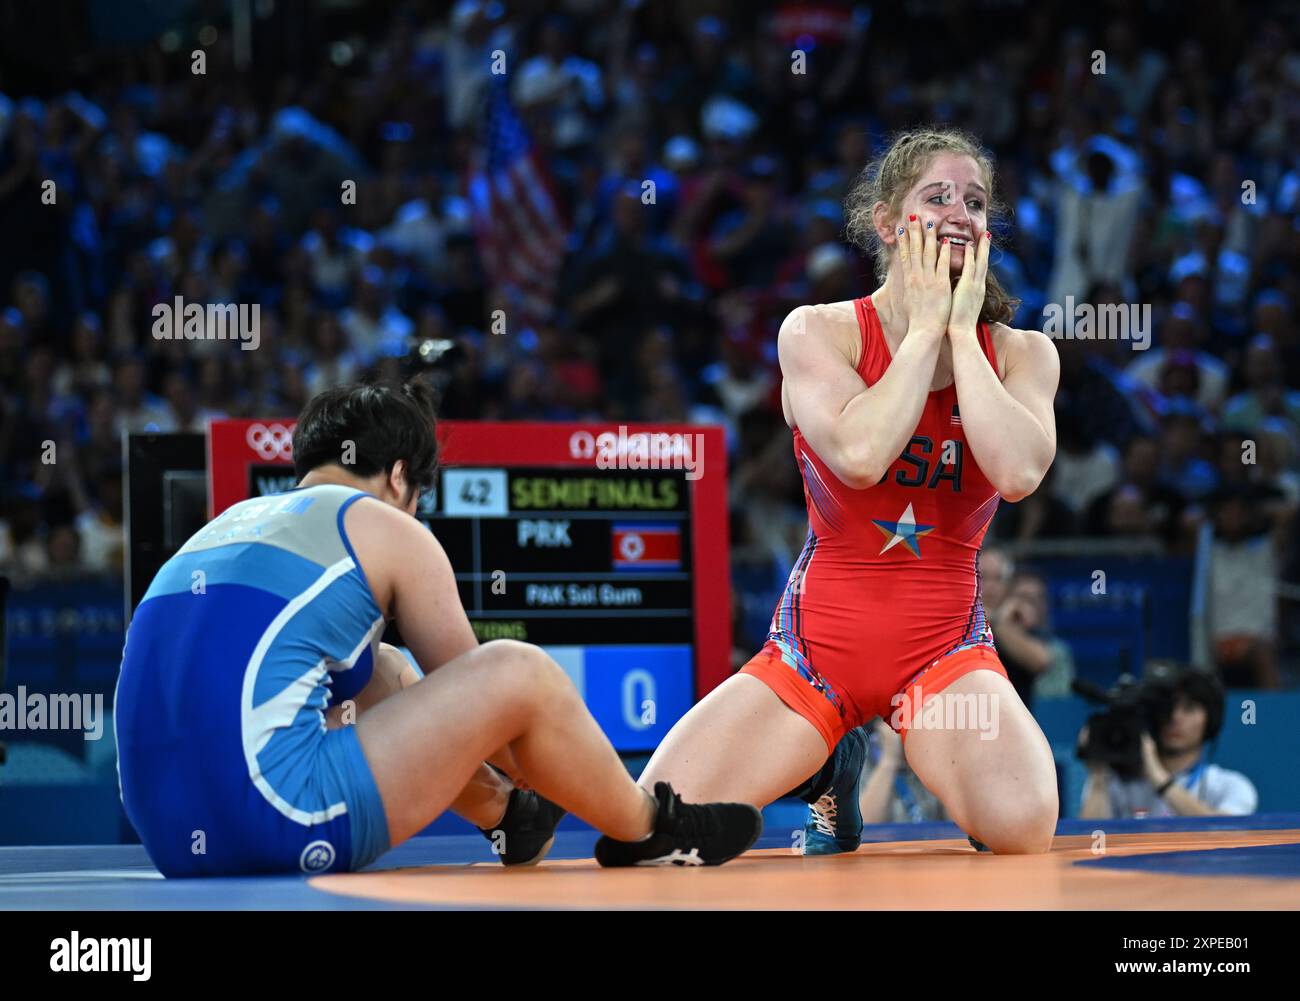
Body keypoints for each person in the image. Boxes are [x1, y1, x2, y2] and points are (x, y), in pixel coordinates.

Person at [114, 381, 760, 876]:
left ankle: (511, 819)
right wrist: (554, 767)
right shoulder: (382, 520)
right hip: (278, 818)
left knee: (385, 667)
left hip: (169, 839)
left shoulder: (224, 526)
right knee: (519, 671)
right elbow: (494, 713)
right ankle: (650, 828)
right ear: (400, 476)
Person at [637, 127, 1061, 855]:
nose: (960, 211)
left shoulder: (1023, 353)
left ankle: (853, 753)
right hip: (815, 655)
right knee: (658, 826)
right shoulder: (818, 332)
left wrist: (963, 335)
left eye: (975, 200)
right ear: (888, 222)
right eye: (938, 196)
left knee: (1022, 825)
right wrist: (925, 331)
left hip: (943, 657)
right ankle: (830, 769)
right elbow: (862, 456)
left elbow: (1019, 474)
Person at [1078, 665, 1256, 818]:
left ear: (1211, 721)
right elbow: (1090, 844)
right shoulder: (1116, 783)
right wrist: (1098, 777)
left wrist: (1158, 777)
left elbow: (1226, 832)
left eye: (1189, 708)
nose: (1175, 717)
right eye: (1166, 709)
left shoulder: (1230, 785)